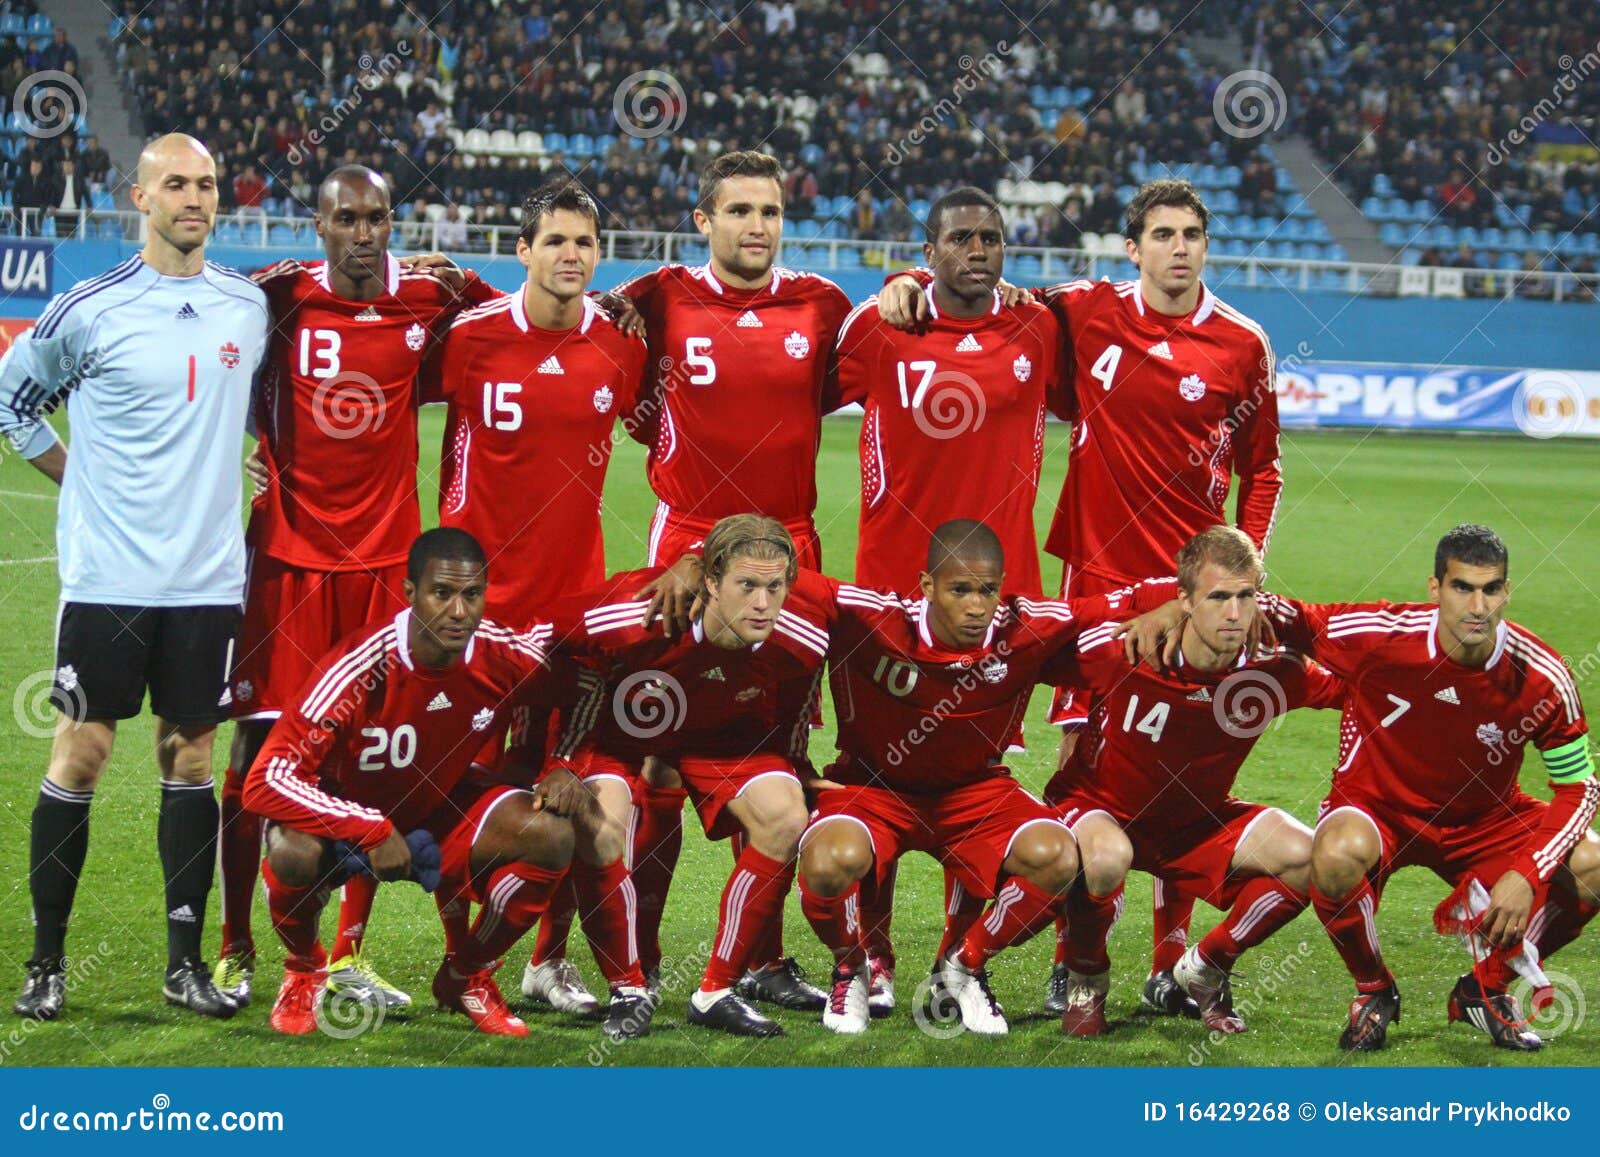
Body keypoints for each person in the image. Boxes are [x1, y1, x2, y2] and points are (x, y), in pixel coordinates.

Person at [879, 177, 1283, 1018]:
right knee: (1084, 772)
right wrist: (906, 284)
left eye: (1192, 233)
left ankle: (1176, 963)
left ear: (1207, 245)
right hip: (1096, 584)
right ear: (1130, 248)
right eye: (1162, 234)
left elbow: (1263, 467)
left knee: (1190, 773)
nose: (1179, 248)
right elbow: (979, 291)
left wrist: (1245, 564)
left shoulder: (1244, 344)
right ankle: (1074, 954)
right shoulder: (1081, 309)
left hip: (1198, 596)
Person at [536, 150, 852, 1015]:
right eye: (740, 210)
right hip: (685, 541)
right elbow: (627, 397)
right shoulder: (655, 299)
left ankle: (762, 958)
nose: (758, 225)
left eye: (772, 211)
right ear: (703, 220)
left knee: (781, 747)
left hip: (790, 550)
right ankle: (607, 957)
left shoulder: (822, 307)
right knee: (653, 755)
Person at [216, 165, 499, 1012]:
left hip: (386, 570)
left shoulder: (426, 299)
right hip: (288, 566)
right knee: (251, 757)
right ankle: (234, 943)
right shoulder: (273, 298)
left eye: (379, 218)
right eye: (348, 219)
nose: (366, 233)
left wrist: (466, 274)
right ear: (320, 226)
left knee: (373, 763)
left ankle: (345, 953)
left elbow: (506, 316)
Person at [3, 134, 269, 1021]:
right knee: (81, 753)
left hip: (208, 583)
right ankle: (46, 961)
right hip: (110, 577)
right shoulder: (91, 307)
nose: (195, 199)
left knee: (189, 756)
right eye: (177, 184)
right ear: (138, 197)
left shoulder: (245, 306)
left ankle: (184, 964)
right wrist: (73, 474)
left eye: (207, 185)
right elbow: (13, 398)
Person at [421, 180, 677, 1033]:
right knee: (453, 793)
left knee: (576, 794)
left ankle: (541, 962)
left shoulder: (619, 346)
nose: (572, 253)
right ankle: (420, 958)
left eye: (585, 241)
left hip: (574, 614)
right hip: (474, 613)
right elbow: (381, 405)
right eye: (555, 239)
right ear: (521, 250)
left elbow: (661, 428)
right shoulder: (470, 336)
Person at [831, 185, 1066, 1010]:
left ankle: (957, 959)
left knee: (976, 773)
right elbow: (813, 384)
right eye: (959, 237)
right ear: (928, 250)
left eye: (991, 238)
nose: (977, 249)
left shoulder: (1040, 326)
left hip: (992, 603)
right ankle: (874, 956)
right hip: (888, 593)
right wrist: (889, 282)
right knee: (876, 774)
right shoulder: (881, 325)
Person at [797, 520, 1171, 1035]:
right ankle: (851, 967)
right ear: (927, 586)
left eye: (988, 590)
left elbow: (1114, 601)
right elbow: (781, 577)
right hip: (872, 789)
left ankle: (964, 967)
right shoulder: (871, 617)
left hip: (974, 792)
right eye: (960, 590)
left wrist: (1179, 601)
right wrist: (698, 563)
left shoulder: (1025, 625)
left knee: (1058, 857)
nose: (977, 606)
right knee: (825, 864)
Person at [241, 529, 601, 1037]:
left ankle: (466, 974)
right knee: (291, 850)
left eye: (472, 595)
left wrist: (565, 761)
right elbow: (266, 780)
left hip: (439, 813)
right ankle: (304, 968)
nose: (459, 611)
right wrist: (368, 826)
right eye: (442, 594)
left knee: (551, 835)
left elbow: (585, 684)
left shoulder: (499, 654)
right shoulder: (360, 664)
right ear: (410, 593)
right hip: (346, 825)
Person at [1255, 524, 1599, 1052]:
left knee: (1594, 865)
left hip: (1484, 819)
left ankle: (1484, 991)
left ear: (1507, 591)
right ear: (1435, 588)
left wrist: (1527, 873)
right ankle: (1374, 990)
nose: (1478, 605)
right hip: (1379, 808)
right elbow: (1279, 613)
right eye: (1462, 587)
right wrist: (1168, 602)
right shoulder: (1379, 634)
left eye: (1491, 588)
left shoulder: (1544, 677)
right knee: (1335, 854)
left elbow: (1579, 788)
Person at [1047, 526, 1342, 1036]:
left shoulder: (1272, 671)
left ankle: (1203, 966)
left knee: (1316, 860)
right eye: (1218, 598)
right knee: (1106, 860)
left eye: (1245, 597)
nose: (1233, 613)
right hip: (1102, 809)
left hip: (1195, 824)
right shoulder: (1128, 647)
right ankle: (1084, 977)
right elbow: (1029, 653)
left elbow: (1361, 687)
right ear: (1183, 600)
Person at [549, 515, 833, 1038]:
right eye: (747, 586)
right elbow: (552, 643)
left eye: (775, 587)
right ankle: (630, 988)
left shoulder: (803, 638)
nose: (763, 603)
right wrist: (559, 759)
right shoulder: (635, 613)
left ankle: (716, 991)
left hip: (721, 742)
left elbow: (790, 719)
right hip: (618, 738)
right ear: (709, 582)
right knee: (601, 823)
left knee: (785, 814)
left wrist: (800, 769)